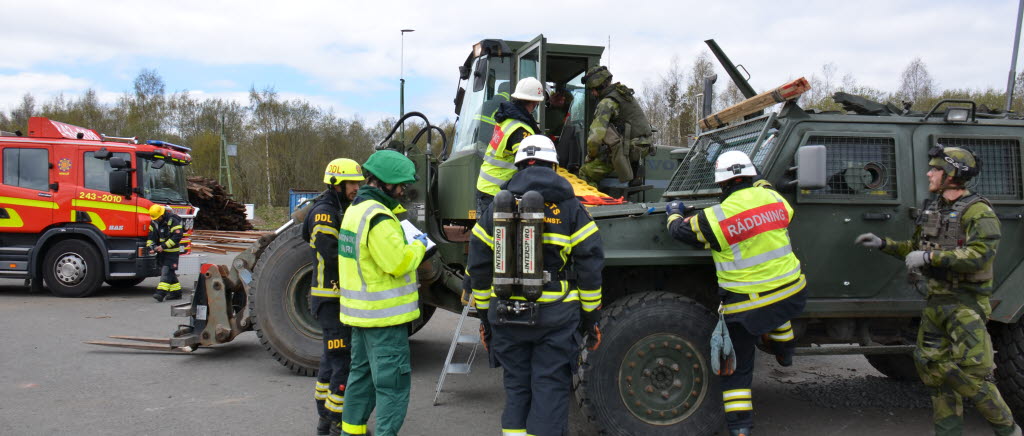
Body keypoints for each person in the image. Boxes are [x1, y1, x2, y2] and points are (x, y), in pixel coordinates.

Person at [855, 146, 1019, 436]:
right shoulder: (935, 208)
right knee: (932, 370)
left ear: (953, 174)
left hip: (965, 305)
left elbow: (979, 256)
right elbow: (916, 249)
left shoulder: (979, 212)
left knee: (972, 374)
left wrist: (931, 259)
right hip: (936, 302)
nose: (929, 173)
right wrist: (884, 244)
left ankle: (1008, 430)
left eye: (936, 169)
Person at [468, 135, 604, 436]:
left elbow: (477, 266)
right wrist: (591, 316)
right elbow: (590, 262)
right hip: (555, 318)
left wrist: (484, 317)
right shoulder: (571, 208)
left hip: (504, 315)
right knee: (550, 387)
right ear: (554, 166)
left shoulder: (496, 207)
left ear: (518, 166)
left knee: (516, 388)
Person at [665, 150, 806, 436]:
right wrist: (761, 183)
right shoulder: (775, 199)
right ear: (752, 177)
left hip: (748, 306)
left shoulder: (715, 217)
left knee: (737, 370)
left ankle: (740, 427)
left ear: (722, 184)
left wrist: (674, 213)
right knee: (777, 310)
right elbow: (776, 203)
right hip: (793, 291)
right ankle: (785, 351)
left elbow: (680, 232)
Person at [337, 150, 427, 436]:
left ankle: (350, 432)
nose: (403, 190)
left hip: (361, 317)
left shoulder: (355, 211)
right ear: (386, 183)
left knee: (360, 380)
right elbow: (397, 262)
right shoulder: (379, 218)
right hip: (384, 321)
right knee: (392, 386)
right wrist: (419, 245)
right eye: (400, 184)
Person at [302, 158, 364, 436]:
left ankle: (324, 421)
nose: (357, 187)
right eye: (353, 182)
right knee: (342, 362)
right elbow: (330, 249)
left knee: (331, 360)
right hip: (330, 298)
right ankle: (337, 422)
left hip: (334, 297)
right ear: (337, 183)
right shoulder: (325, 212)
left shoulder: (337, 207)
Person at [474, 76, 544, 219]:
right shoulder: (520, 129)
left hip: (486, 187)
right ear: (535, 102)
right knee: (499, 237)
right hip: (496, 192)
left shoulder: (506, 119)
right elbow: (526, 167)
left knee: (486, 236)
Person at [578, 65, 653, 187]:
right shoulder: (622, 94)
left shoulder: (606, 103)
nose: (593, 93)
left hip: (632, 148)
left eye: (592, 89)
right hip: (643, 145)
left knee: (586, 172)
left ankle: (592, 204)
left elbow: (595, 138)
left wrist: (590, 157)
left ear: (598, 86)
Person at [147, 204, 184, 302]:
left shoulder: (173, 220)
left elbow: (177, 236)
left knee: (166, 271)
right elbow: (151, 237)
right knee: (170, 271)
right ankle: (176, 292)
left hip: (172, 252)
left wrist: (163, 246)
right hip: (162, 252)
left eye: (158, 218)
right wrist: (151, 247)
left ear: (162, 215)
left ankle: (160, 293)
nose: (156, 219)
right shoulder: (154, 222)